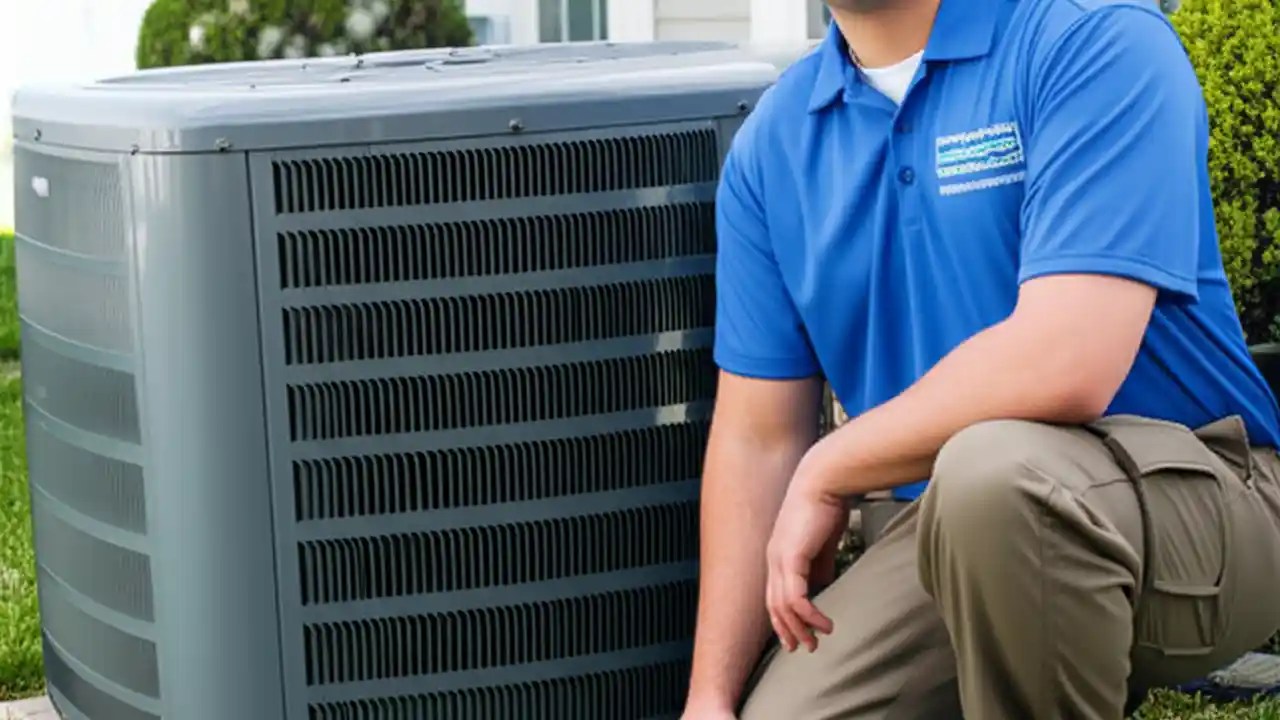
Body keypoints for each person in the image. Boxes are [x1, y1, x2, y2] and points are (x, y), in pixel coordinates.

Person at [682, 0, 1280, 718]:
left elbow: (1067, 361)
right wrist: (710, 699)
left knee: (997, 476)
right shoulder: (773, 146)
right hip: (948, 528)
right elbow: (758, 439)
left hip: (1201, 497)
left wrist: (831, 464)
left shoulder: (1091, 39)